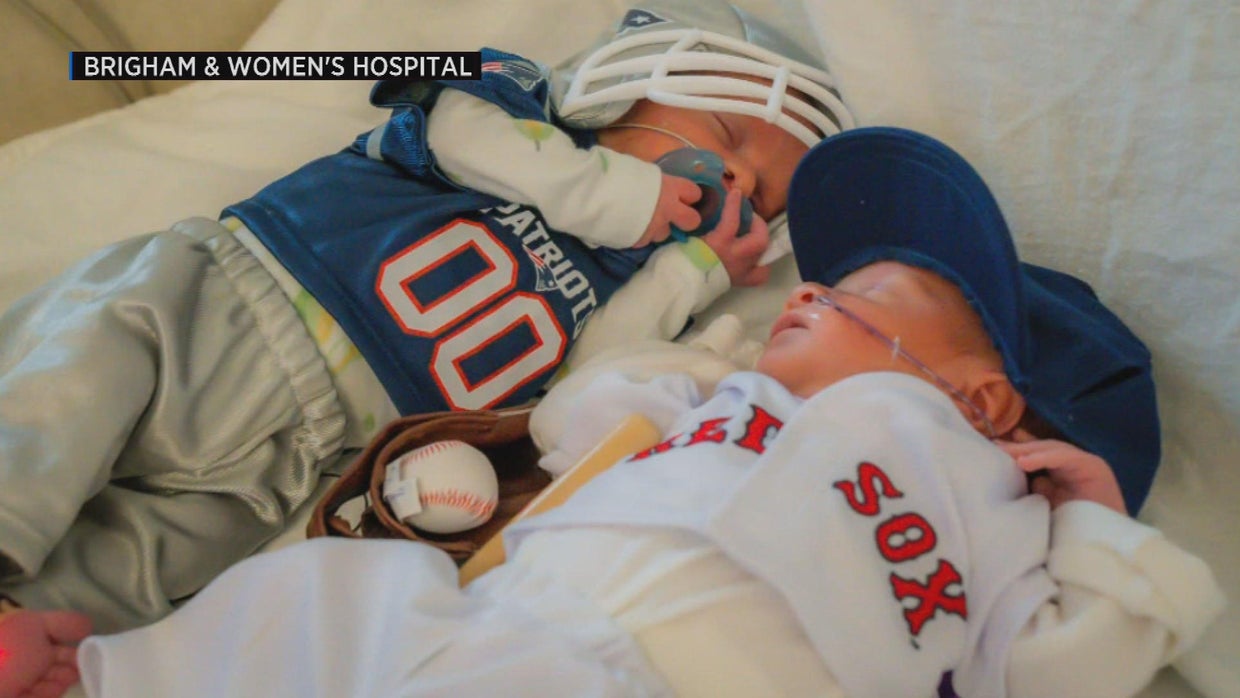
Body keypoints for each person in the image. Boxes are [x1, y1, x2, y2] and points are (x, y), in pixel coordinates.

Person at [3, 128, 1222, 698]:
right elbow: (578, 425)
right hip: (516, 609)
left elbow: (1068, 668)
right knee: (329, 595)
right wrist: (687, 374)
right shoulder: (731, 404)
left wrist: (1104, 540)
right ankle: (109, 671)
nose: (804, 286)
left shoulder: (988, 514)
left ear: (981, 396)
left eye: (852, 298)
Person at [0, 0, 854, 639]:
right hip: (226, 304)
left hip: (311, 453)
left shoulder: (623, 280)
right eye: (723, 133)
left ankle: (23, 628)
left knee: (154, 564)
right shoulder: (521, 116)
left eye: (760, 193)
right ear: (635, 84)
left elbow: (587, 378)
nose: (733, 179)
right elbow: (459, 130)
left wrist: (689, 272)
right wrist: (617, 197)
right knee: (69, 389)